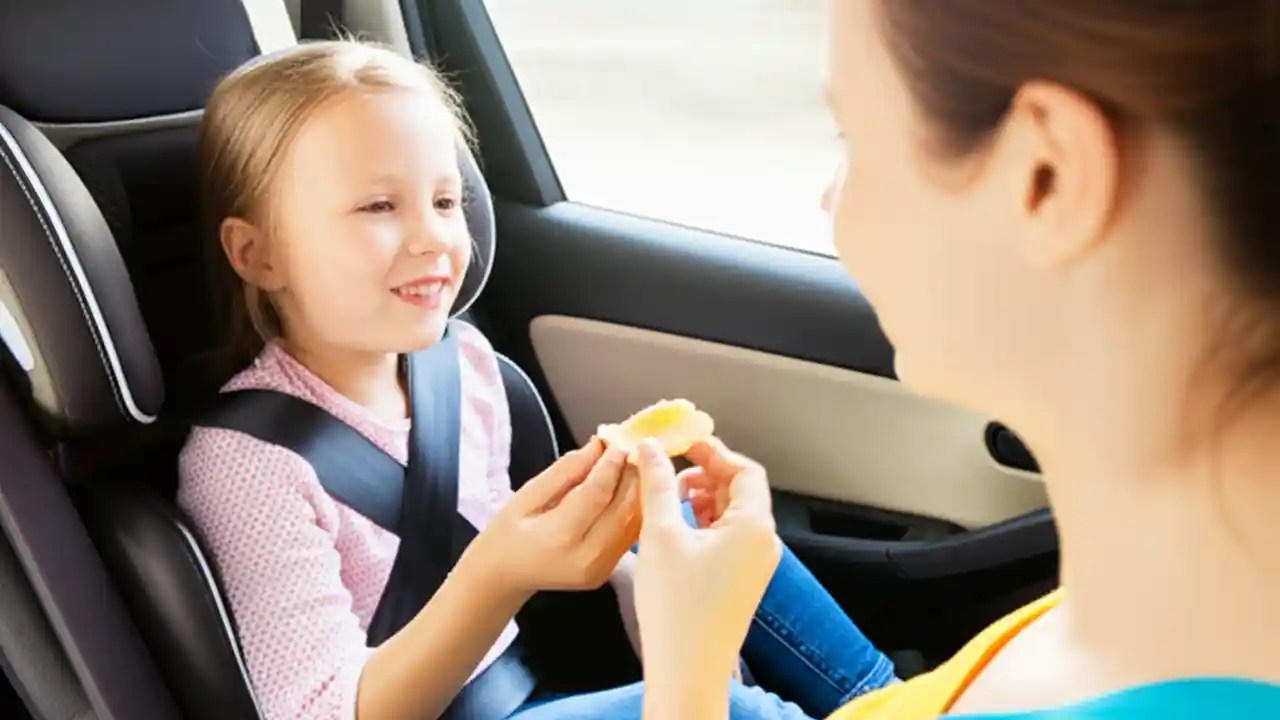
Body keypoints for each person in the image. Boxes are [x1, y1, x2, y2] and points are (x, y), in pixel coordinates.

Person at [178, 40, 895, 720]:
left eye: (446, 202)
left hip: (530, 666)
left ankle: (894, 696)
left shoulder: (462, 365)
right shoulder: (248, 465)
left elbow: (512, 554)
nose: (434, 237)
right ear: (258, 255)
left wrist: (621, 546)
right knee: (731, 709)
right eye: (378, 207)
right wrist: (500, 572)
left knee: (692, 522)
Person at [633, 1, 1280, 718]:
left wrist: (686, 675)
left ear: (1046, 176)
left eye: (854, 138)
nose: (829, 196)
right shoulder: (1164, 591)